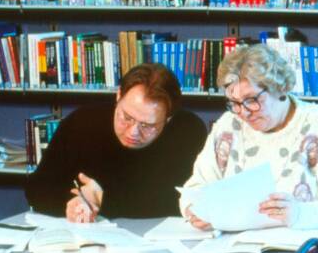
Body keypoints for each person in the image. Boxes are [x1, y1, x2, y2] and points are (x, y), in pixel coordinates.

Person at [180, 42, 318, 232]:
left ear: (281, 88)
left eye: (252, 100)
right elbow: (194, 188)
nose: (244, 113)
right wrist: (194, 209)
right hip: (237, 249)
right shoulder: (228, 125)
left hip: (306, 248)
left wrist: (299, 213)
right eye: (234, 102)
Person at [24, 62, 205, 223]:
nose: (133, 132)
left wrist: (103, 199)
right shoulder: (82, 122)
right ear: (118, 95)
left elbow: (184, 201)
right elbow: (37, 190)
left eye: (147, 125)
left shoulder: (188, 130)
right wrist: (73, 202)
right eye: (126, 117)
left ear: (168, 119)